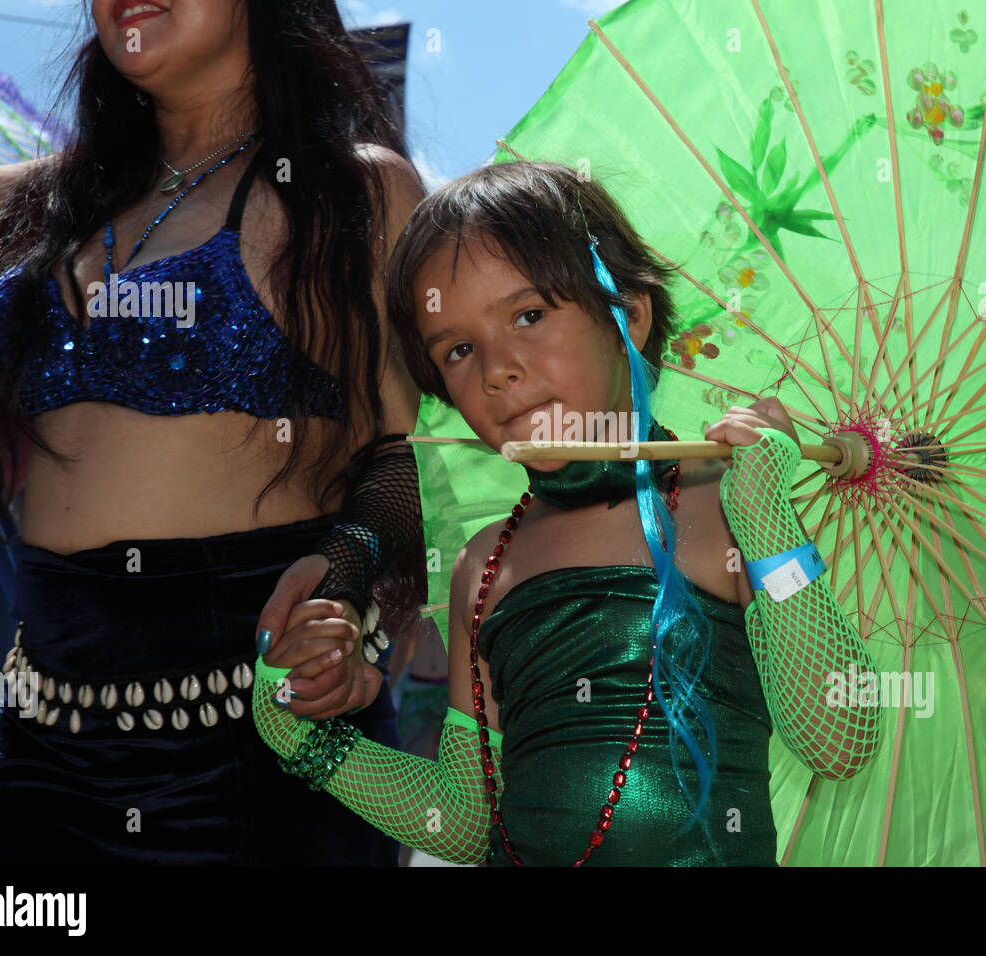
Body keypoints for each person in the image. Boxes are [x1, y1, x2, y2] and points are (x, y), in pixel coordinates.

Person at [252, 161, 884, 866]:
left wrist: (769, 522)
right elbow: (466, 820)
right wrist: (306, 739)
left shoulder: (726, 509)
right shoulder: (484, 564)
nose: (497, 369)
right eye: (459, 350)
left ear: (631, 317)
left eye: (529, 315)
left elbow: (839, 734)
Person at [0, 0, 426, 864]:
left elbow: (397, 459)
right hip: (44, 750)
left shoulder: (352, 189)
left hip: (270, 733)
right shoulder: (49, 199)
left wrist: (345, 576)